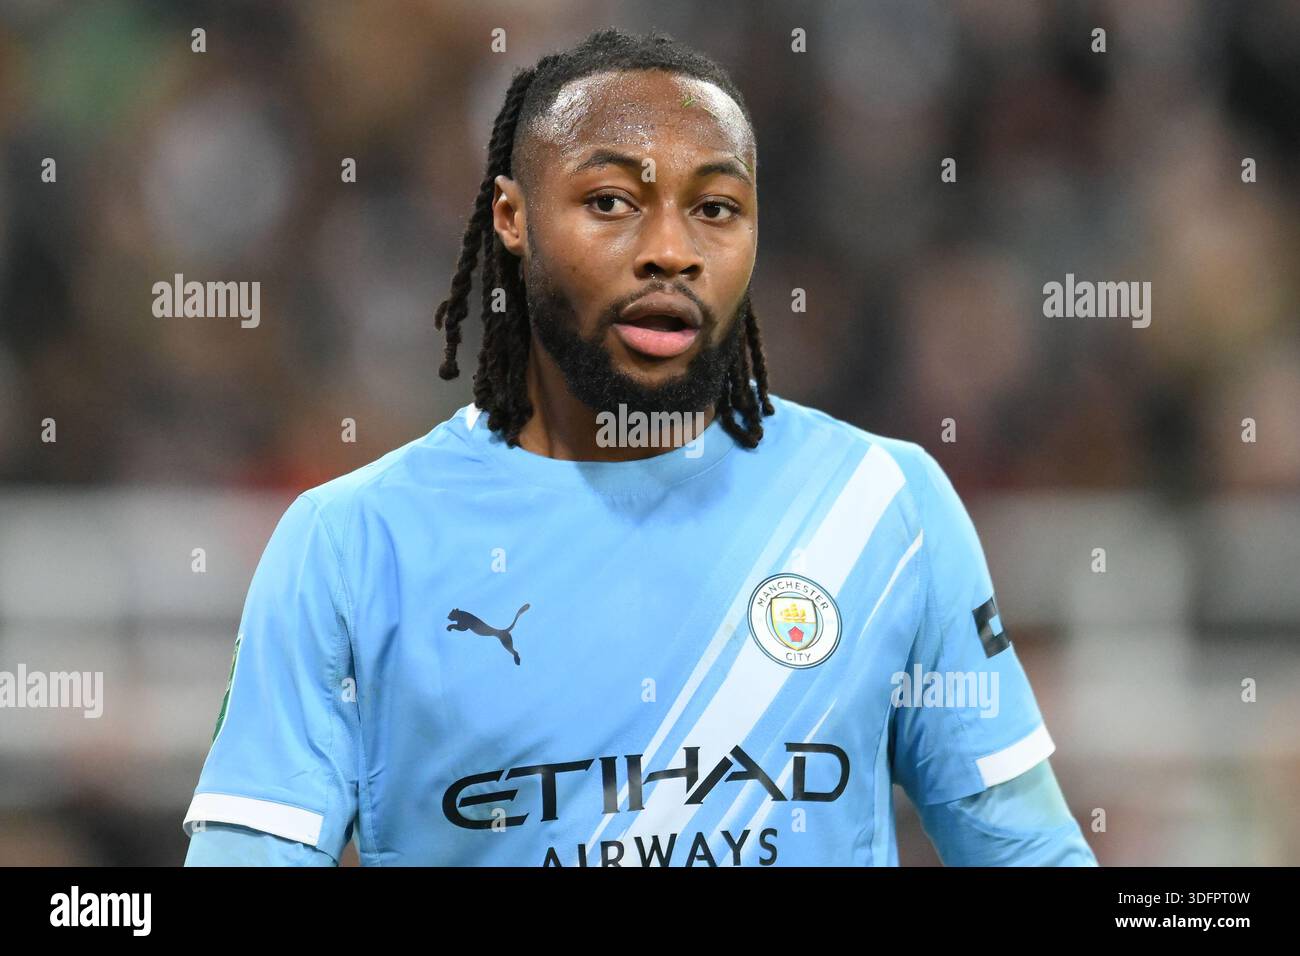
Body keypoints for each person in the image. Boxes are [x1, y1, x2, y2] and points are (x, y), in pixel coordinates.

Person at [183, 27, 1096, 867]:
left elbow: (1028, 852)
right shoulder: (349, 546)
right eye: (612, 200)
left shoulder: (880, 504)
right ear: (511, 216)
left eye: (716, 208)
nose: (671, 250)